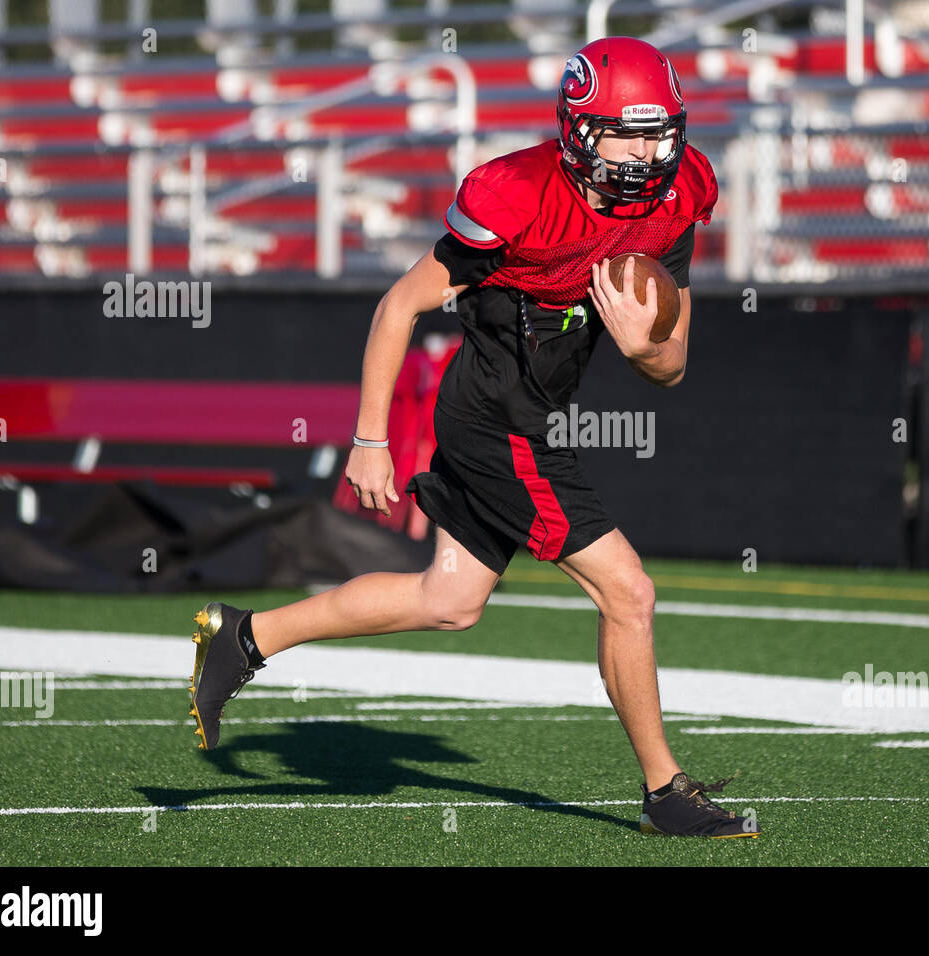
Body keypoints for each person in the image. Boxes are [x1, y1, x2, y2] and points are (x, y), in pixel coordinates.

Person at [188, 36, 759, 839]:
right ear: (578, 130)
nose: (645, 154)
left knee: (448, 601)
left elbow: (672, 366)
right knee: (629, 591)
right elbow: (398, 305)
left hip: (524, 414)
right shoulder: (517, 194)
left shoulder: (680, 193)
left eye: (657, 133)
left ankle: (245, 638)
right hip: (496, 420)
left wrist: (642, 347)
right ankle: (665, 792)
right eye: (624, 135)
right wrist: (371, 438)